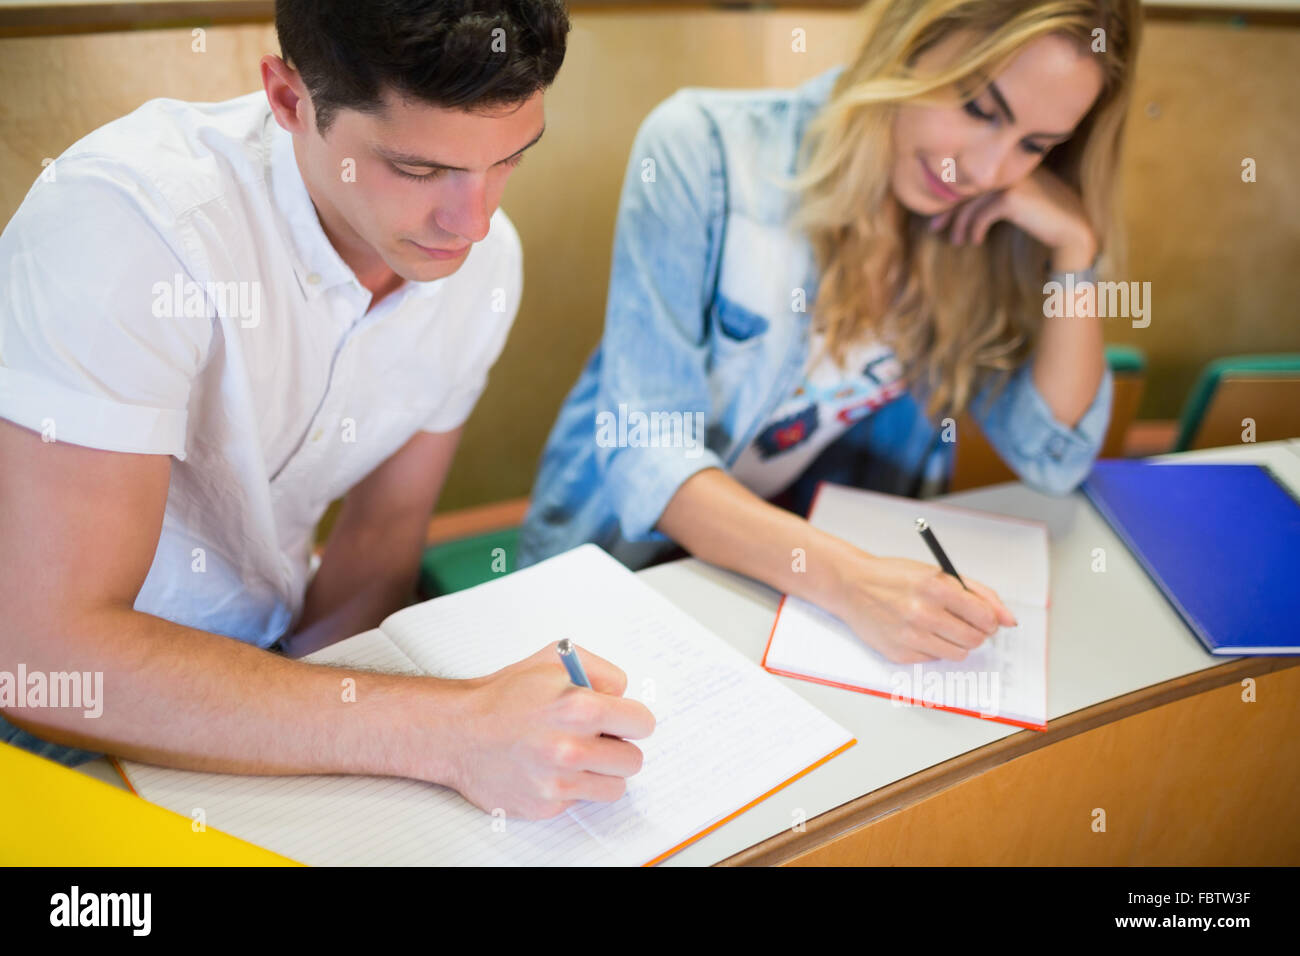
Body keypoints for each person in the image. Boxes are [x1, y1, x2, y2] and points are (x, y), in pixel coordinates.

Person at [0, 0, 652, 821]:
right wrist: (447, 730)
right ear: (288, 99)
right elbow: (42, 656)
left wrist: (351, 742)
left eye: (509, 160)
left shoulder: (484, 267)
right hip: (49, 726)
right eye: (418, 170)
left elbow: (379, 539)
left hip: (276, 668)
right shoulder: (130, 228)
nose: (474, 222)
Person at [521, 0, 1141, 666]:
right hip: (627, 561)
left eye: (1035, 146)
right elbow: (649, 452)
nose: (988, 170)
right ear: (908, 41)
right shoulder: (702, 148)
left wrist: (1077, 249)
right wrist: (849, 581)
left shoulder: (985, 224)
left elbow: (1054, 455)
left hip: (799, 585)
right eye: (978, 108)